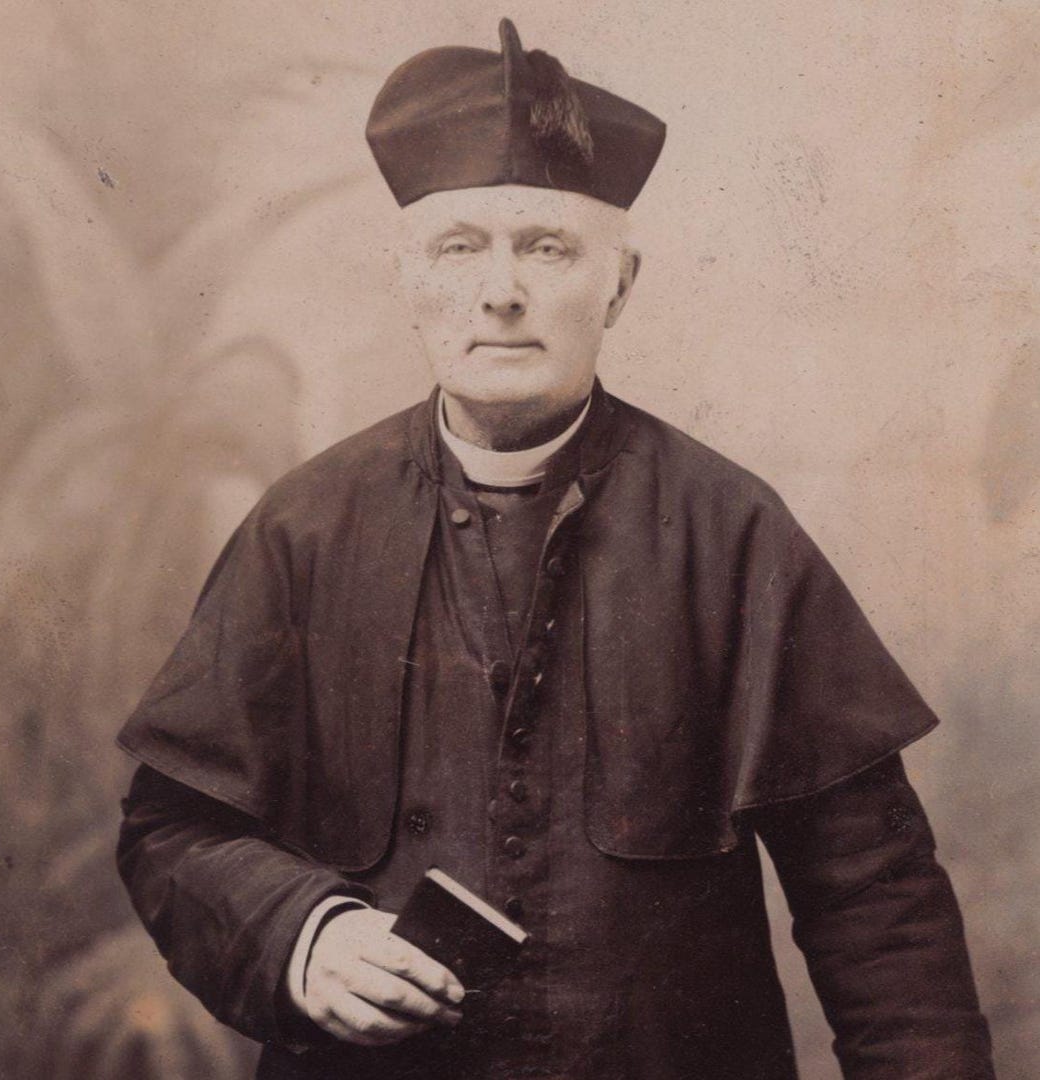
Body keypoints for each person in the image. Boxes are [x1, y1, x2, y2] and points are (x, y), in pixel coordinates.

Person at [116, 18, 995, 1080]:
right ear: (407, 281)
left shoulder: (729, 532)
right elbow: (172, 833)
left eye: (546, 247)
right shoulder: (303, 529)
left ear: (618, 285)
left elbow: (877, 901)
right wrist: (304, 934)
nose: (502, 291)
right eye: (461, 247)